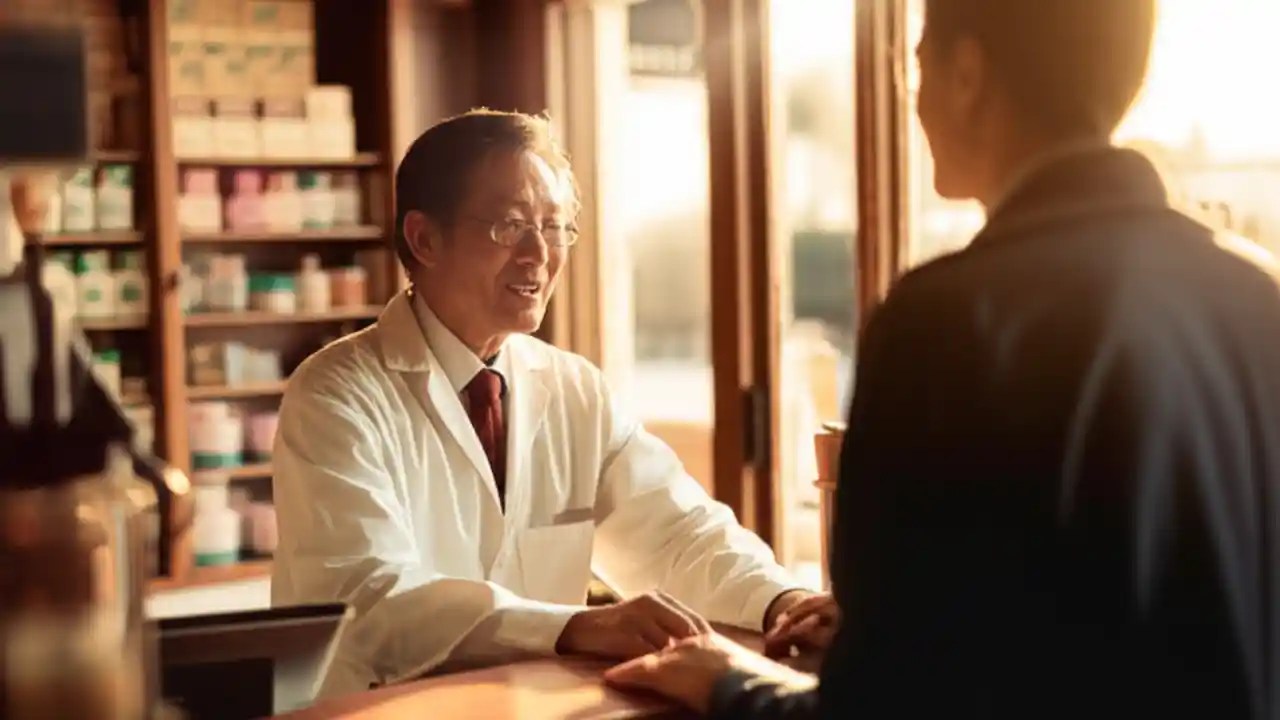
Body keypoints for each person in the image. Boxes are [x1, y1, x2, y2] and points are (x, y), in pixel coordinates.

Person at [605, 1, 1280, 718]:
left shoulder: (951, 319)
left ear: (966, 74)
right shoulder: (1256, 296)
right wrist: (887, 627)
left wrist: (729, 681)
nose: (911, 97)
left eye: (915, 64)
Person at [271, 110, 834, 698]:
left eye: (555, 225)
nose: (538, 252)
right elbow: (369, 596)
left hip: (528, 705)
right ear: (424, 239)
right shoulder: (336, 394)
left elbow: (678, 535)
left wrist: (781, 602)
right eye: (510, 225)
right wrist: (575, 626)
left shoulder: (574, 390)